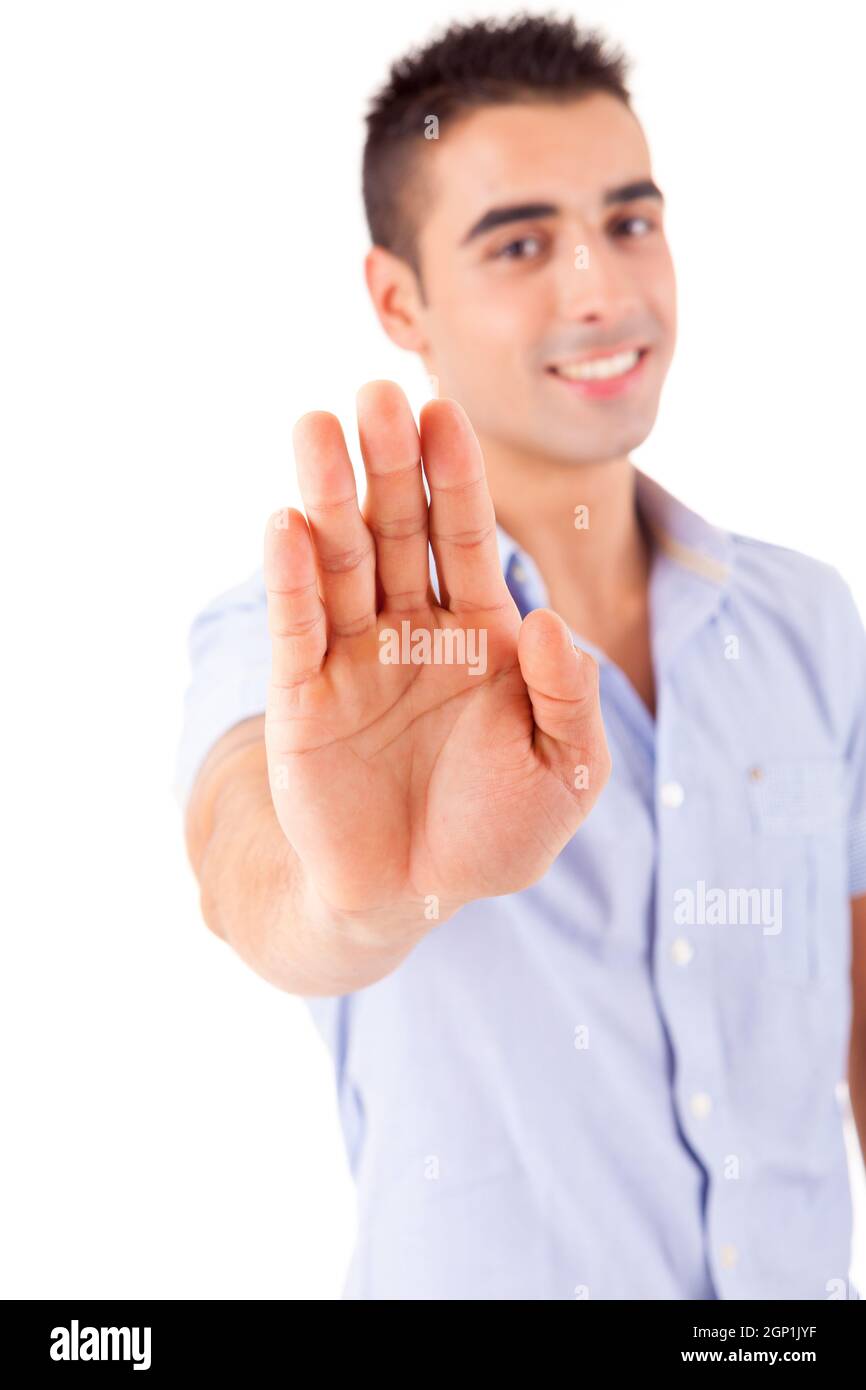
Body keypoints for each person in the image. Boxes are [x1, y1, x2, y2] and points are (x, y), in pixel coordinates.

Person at [176, 14, 866, 1300]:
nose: (601, 287)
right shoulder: (306, 641)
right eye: (519, 242)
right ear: (400, 300)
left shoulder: (808, 621)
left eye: (629, 220)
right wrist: (368, 891)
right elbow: (247, 877)